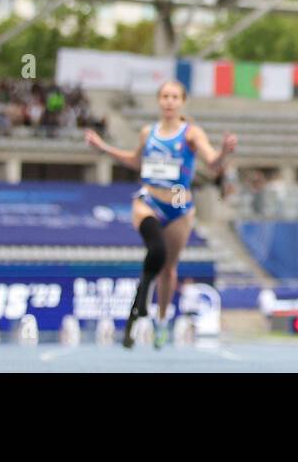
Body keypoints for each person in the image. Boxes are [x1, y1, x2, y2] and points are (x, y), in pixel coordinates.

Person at [86, 80, 235, 348]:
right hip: (149, 200)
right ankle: (140, 307)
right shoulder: (148, 132)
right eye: (164, 96)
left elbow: (212, 162)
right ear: (158, 101)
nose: (169, 101)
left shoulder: (191, 134)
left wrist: (224, 151)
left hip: (179, 206)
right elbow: (135, 160)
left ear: (182, 102)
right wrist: (104, 147)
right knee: (156, 250)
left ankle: (162, 320)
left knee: (168, 270)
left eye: (174, 97)